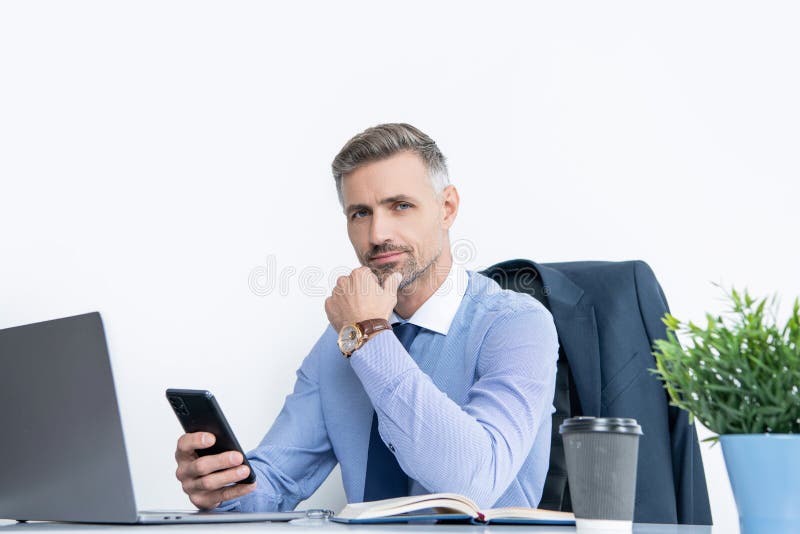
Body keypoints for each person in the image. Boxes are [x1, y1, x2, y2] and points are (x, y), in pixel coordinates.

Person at [173, 123, 560, 512]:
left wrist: (370, 337)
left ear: (447, 208)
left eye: (401, 206)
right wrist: (224, 487)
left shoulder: (517, 325)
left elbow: (475, 483)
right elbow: (276, 481)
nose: (377, 234)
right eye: (360, 213)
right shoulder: (339, 341)